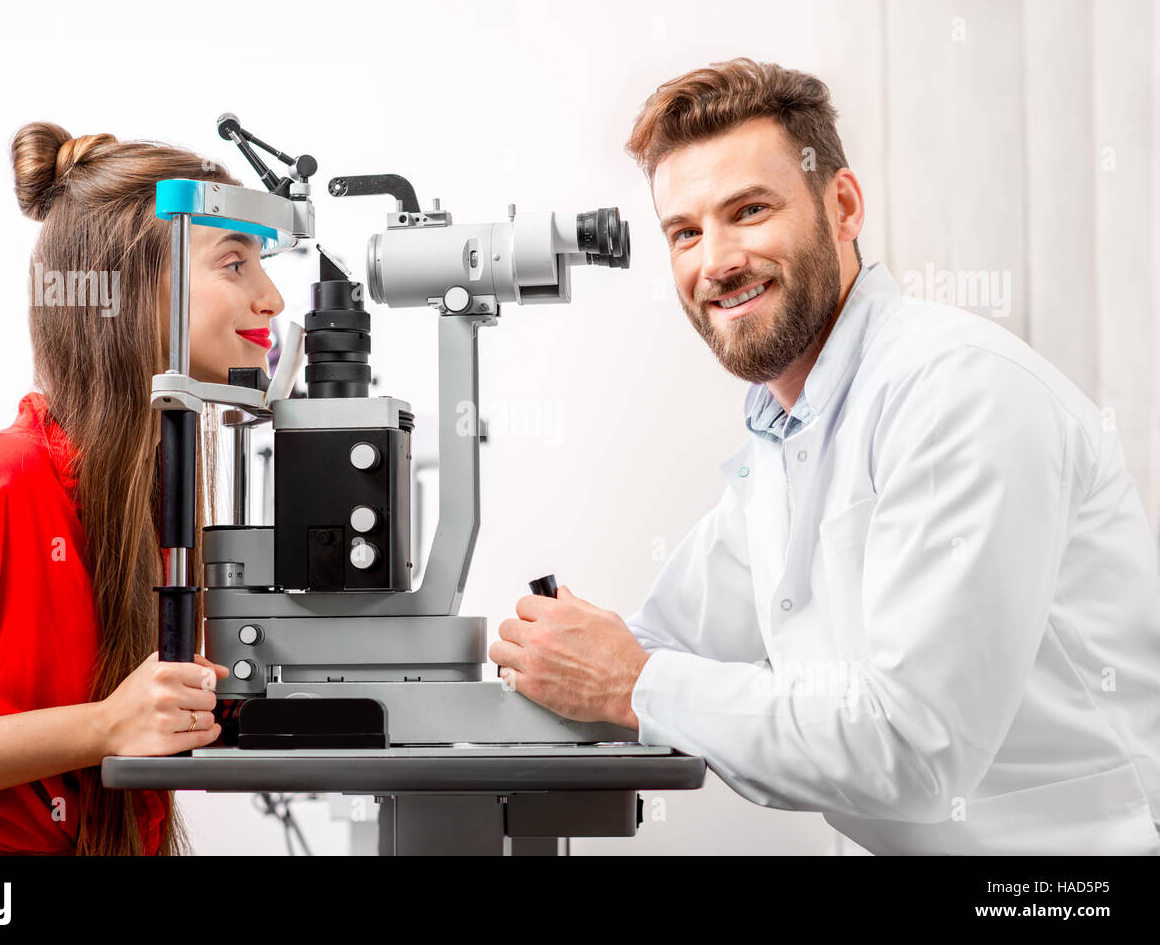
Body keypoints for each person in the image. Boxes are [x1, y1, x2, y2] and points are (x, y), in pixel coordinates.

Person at [488, 58, 1160, 854]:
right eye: (686, 232)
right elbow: (666, 643)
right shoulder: (786, 431)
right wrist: (549, 667)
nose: (717, 260)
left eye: (748, 210)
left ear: (841, 206)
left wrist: (633, 684)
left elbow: (917, 746)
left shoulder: (955, 391)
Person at [0, 122, 286, 854]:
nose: (272, 298)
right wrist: (107, 724)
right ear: (129, 289)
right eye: (234, 262)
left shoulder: (147, 502)